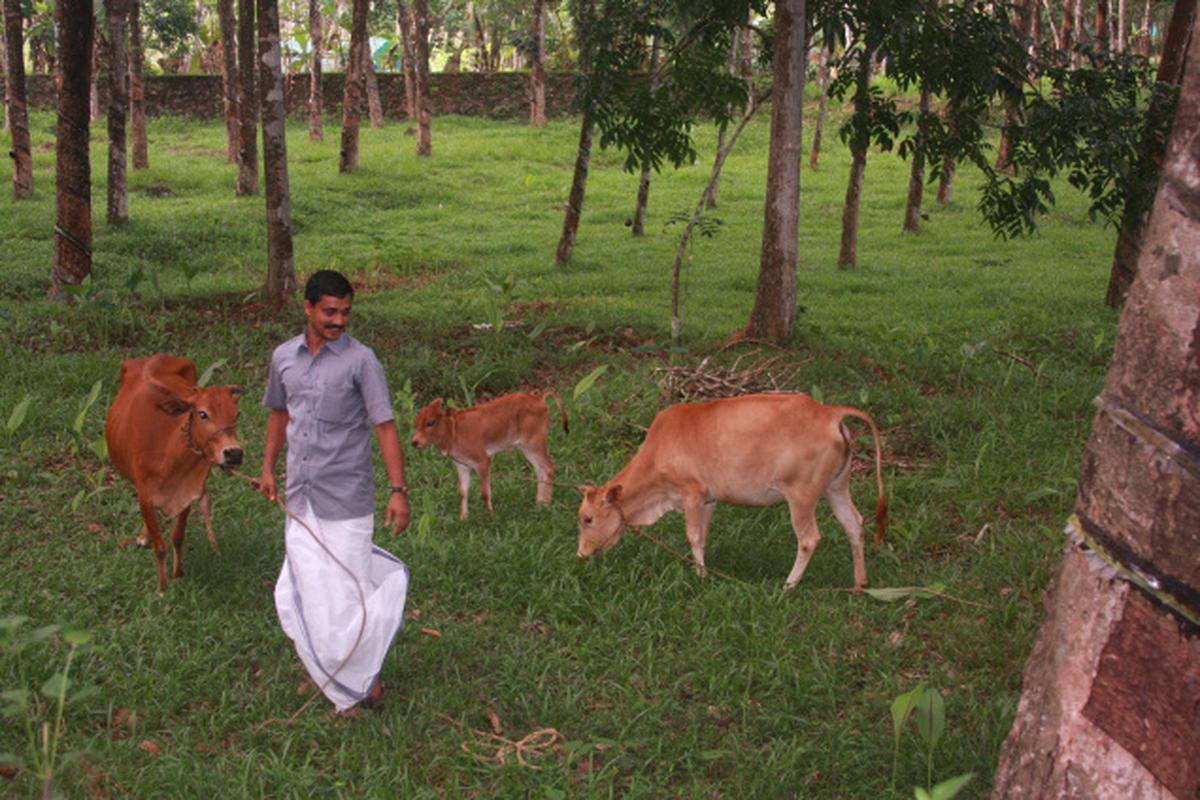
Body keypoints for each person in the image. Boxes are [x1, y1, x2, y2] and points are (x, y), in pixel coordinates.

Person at [259, 269, 411, 714]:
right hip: (301, 496)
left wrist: (398, 490)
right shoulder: (284, 357)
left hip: (347, 498)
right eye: (329, 311)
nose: (339, 320)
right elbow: (278, 415)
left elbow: (385, 426)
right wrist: (267, 469)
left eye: (345, 312)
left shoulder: (362, 361)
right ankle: (331, 673)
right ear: (307, 307)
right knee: (308, 588)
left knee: (348, 593)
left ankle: (364, 681)